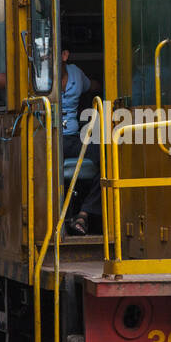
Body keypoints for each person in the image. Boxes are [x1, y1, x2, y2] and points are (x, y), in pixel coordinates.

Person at [59, 44, 103, 236]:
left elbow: (92, 86)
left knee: (106, 158)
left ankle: (83, 214)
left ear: (65, 55)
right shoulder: (36, 75)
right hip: (48, 139)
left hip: (73, 139)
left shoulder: (75, 73)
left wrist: (102, 85)